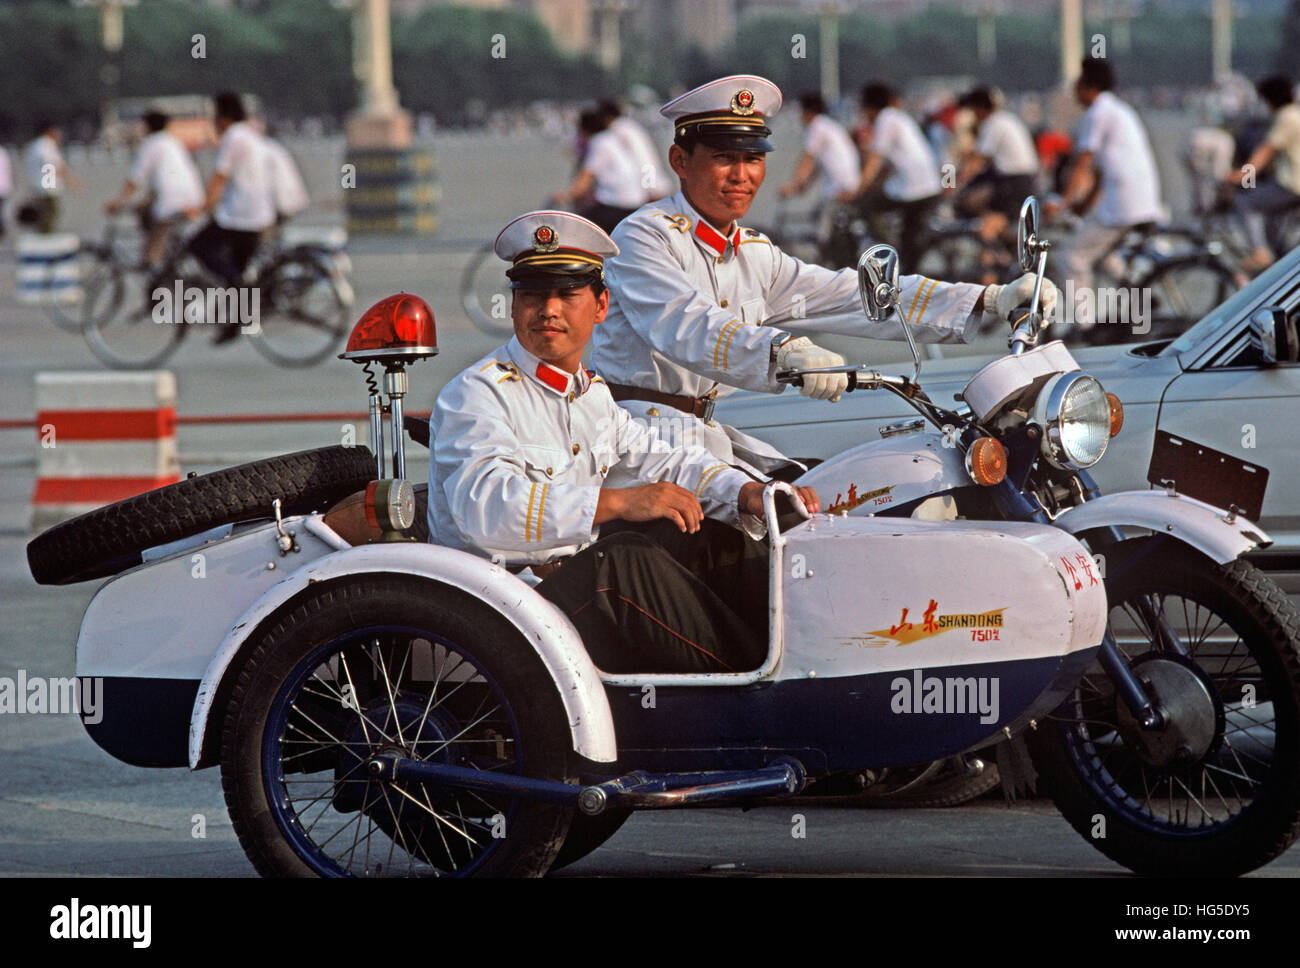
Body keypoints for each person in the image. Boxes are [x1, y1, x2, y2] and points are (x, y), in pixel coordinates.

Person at [592, 74, 1056, 480]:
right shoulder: (643, 237)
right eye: (722, 158)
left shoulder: (754, 252)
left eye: (753, 159)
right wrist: (783, 351)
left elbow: (853, 295)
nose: (742, 175)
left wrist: (987, 299)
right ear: (679, 161)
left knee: (834, 498)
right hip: (641, 440)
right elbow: (687, 326)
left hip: (705, 435)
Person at [427, 210, 820, 674]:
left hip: (552, 607)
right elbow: (486, 511)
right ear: (514, 306)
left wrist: (746, 492)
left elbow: (667, 462)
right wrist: (616, 504)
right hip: (497, 612)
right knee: (619, 563)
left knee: (715, 534)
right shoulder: (477, 393)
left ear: (600, 306)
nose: (548, 310)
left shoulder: (590, 395)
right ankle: (759, 689)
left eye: (566, 294)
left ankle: (800, 653)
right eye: (531, 294)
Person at [1046, 58, 1164, 332]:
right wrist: (1082, 206)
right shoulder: (1116, 110)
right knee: (1100, 252)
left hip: (1123, 203)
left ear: (1089, 86)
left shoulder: (1097, 113)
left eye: (1077, 85)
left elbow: (1083, 162)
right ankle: (1138, 292)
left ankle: (1085, 326)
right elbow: (1100, 173)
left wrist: (1062, 202)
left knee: (1071, 256)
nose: (1073, 92)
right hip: (1135, 199)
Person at [187, 91, 276, 342]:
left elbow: (219, 177)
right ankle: (233, 324)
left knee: (198, 246)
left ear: (223, 117)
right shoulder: (251, 135)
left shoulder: (233, 137)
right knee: (236, 268)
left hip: (240, 214)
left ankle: (239, 291)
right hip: (259, 213)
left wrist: (203, 207)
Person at [842, 82, 943, 267]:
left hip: (913, 189)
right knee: (909, 243)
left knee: (866, 206)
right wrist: (872, 185)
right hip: (928, 186)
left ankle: (887, 248)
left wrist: (857, 191)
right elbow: (887, 167)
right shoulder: (899, 118)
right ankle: (905, 272)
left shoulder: (885, 119)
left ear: (870, 107)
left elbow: (875, 161)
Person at [952, 88, 1040, 282]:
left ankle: (991, 280)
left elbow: (976, 162)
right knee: (993, 220)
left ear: (979, 109)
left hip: (1013, 183)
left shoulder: (993, 124)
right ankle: (1007, 251)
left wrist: (952, 187)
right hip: (1021, 181)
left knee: (984, 226)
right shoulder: (1006, 120)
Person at [104, 109, 204, 268]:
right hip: (193, 196)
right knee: (146, 211)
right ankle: (164, 255)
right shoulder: (173, 142)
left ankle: (154, 261)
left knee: (153, 245)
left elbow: (134, 181)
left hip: (172, 200)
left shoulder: (150, 144)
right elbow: (162, 182)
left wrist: (117, 202)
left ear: (147, 127)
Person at [1223, 75, 1300, 274]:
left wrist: (1241, 175)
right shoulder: (1294, 114)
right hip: (1291, 183)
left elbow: (1264, 152)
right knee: (1275, 227)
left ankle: (1260, 252)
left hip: (1292, 184)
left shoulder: (1286, 117)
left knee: (1246, 203)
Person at [551, 109, 644, 234]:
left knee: (575, 229)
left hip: (617, 204)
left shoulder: (598, 142)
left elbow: (586, 178)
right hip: (636, 201)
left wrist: (566, 196)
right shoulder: (612, 139)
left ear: (584, 131)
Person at [598, 98, 669, 203]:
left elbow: (644, 159)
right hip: (649, 186)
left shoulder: (621, 130)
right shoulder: (629, 127)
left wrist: (651, 188)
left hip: (649, 189)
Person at [22, 123, 82, 234]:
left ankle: (44, 237)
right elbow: (53, 166)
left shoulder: (36, 146)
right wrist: (71, 182)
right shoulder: (44, 146)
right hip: (46, 188)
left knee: (46, 215)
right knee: (48, 216)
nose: (60, 134)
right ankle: (45, 241)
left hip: (40, 187)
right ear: (49, 131)